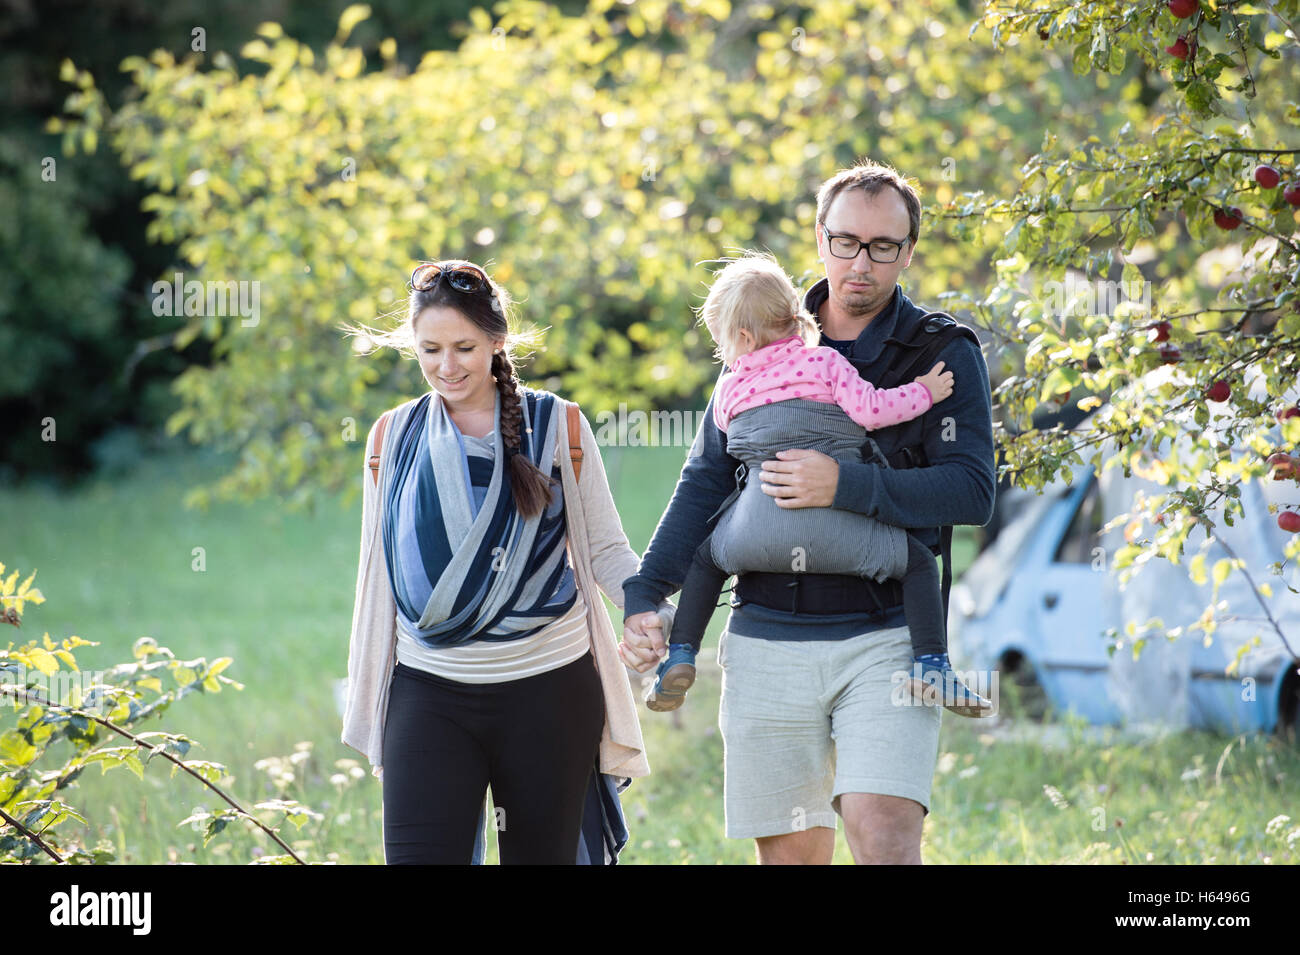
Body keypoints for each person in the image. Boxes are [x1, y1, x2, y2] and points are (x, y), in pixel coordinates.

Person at [620, 161, 997, 865]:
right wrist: (646, 591)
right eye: (846, 241)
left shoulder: (941, 352)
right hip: (766, 635)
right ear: (819, 239)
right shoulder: (758, 342)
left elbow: (971, 491)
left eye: (884, 246)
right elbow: (703, 482)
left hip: (888, 633)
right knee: (792, 855)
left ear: (909, 250)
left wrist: (845, 484)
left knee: (882, 832)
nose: (862, 262)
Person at [339, 259, 672, 864]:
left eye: (465, 347)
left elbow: (603, 549)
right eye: (430, 349)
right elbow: (379, 573)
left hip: (548, 695)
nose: (447, 366)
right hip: (429, 694)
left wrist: (646, 609)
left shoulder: (558, 426)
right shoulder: (391, 437)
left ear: (497, 340)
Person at [643, 252, 993, 719]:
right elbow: (873, 410)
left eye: (721, 343)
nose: (724, 355)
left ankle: (683, 652)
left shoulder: (730, 388)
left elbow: (712, 468)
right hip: (847, 532)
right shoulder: (825, 362)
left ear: (743, 338)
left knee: (707, 559)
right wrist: (926, 392)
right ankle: (931, 664)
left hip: (756, 535)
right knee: (918, 566)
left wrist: (647, 587)